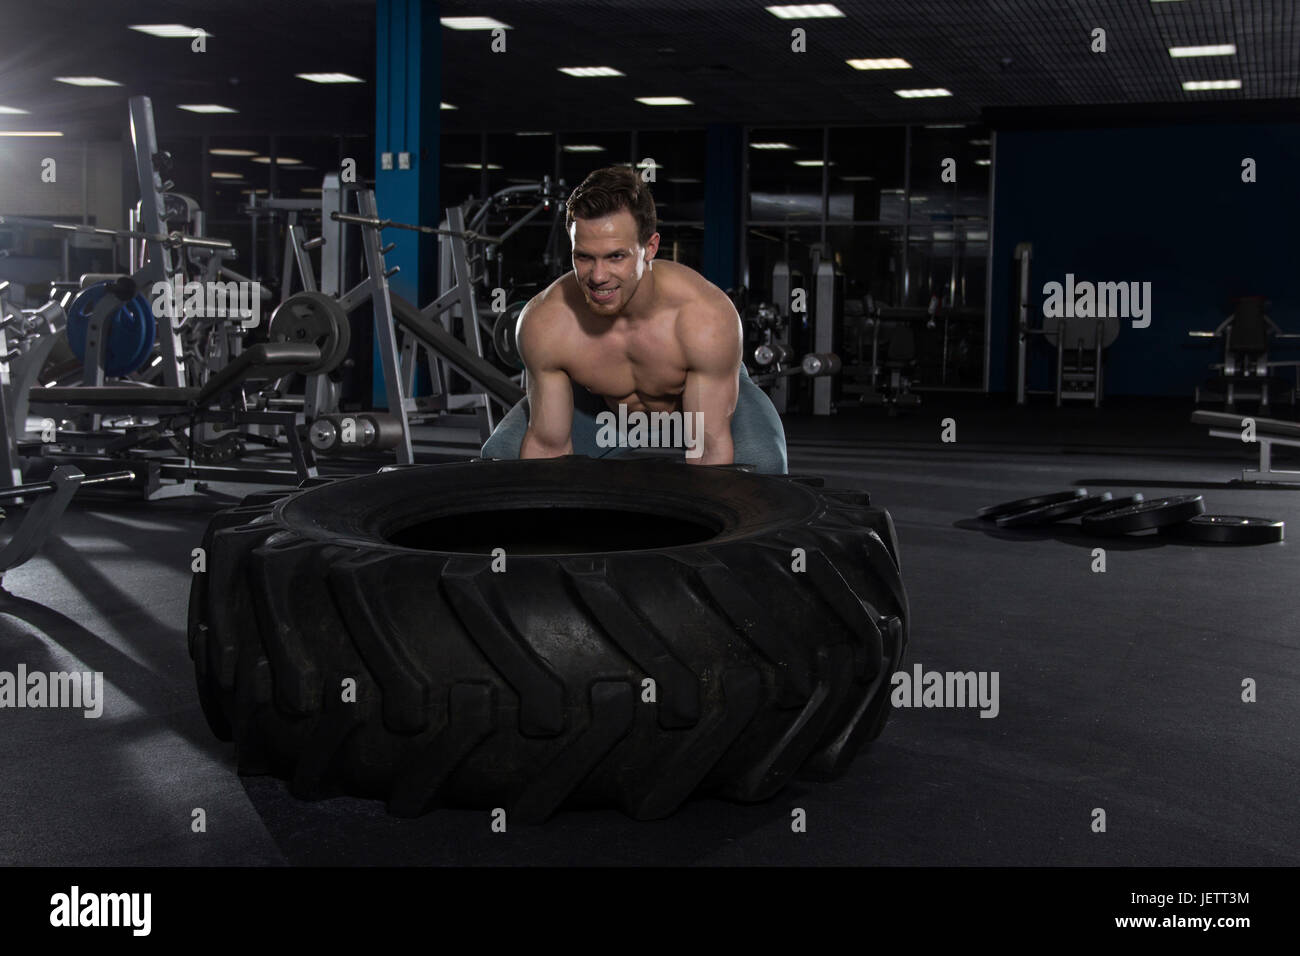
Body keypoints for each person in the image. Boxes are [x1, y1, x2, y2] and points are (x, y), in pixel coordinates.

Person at [480, 166, 788, 474]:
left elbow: (709, 449)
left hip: (697, 415)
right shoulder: (547, 321)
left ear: (650, 247)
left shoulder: (704, 318)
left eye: (616, 256)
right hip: (604, 415)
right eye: (584, 257)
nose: (598, 277)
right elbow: (548, 447)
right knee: (501, 457)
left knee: (762, 469)